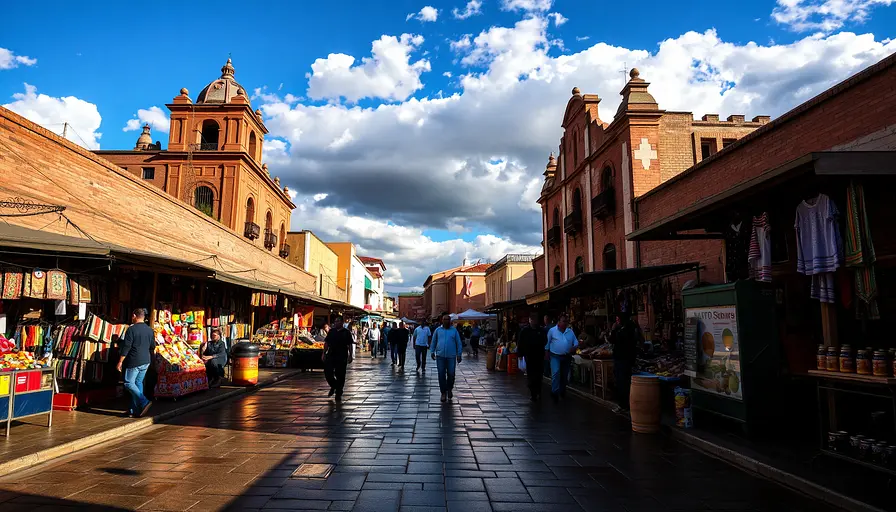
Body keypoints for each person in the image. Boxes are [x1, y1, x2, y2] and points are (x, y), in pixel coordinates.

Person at [117, 308, 156, 418]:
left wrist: (120, 361)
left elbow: (127, 347)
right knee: (138, 383)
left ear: (134, 316)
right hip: (146, 361)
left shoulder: (131, 329)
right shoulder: (150, 330)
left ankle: (144, 402)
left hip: (134, 360)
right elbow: (152, 346)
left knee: (128, 383)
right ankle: (134, 409)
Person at [611, 311, 641, 412]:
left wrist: (613, 330)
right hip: (626, 358)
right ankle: (625, 404)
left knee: (622, 383)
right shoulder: (630, 328)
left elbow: (614, 340)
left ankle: (623, 404)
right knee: (624, 382)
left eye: (618, 319)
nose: (617, 321)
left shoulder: (625, 330)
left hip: (623, 359)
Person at [545, 314, 578, 403]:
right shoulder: (552, 331)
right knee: (556, 373)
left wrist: (574, 347)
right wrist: (546, 352)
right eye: (563, 321)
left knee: (564, 374)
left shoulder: (570, 331)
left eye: (566, 321)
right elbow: (547, 342)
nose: (565, 323)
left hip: (566, 356)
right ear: (559, 322)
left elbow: (576, 342)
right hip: (555, 355)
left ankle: (562, 390)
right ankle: (554, 392)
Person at [430, 313, 463, 403]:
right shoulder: (438, 330)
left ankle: (449, 389)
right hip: (440, 356)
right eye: (444, 319)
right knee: (441, 374)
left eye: (448, 319)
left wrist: (459, 354)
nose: (446, 321)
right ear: (442, 321)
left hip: (451, 356)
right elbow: (433, 341)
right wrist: (432, 351)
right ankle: (443, 392)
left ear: (450, 321)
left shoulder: (454, 331)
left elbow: (458, 343)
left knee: (451, 374)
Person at [517, 312, 547, 401]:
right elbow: (520, 343)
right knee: (531, 375)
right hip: (529, 356)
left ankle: (538, 391)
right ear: (530, 320)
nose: (533, 321)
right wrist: (520, 354)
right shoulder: (525, 331)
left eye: (535, 320)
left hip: (539, 356)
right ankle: (533, 392)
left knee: (539, 374)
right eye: (532, 319)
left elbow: (545, 341)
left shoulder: (541, 331)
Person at [322, 315, 353, 400]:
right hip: (331, 354)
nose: (336, 323)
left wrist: (351, 355)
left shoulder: (346, 332)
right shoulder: (331, 331)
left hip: (342, 355)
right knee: (328, 373)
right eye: (335, 321)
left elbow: (349, 344)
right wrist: (324, 353)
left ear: (342, 322)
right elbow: (326, 343)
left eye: (338, 321)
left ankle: (339, 392)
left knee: (340, 374)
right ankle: (334, 386)